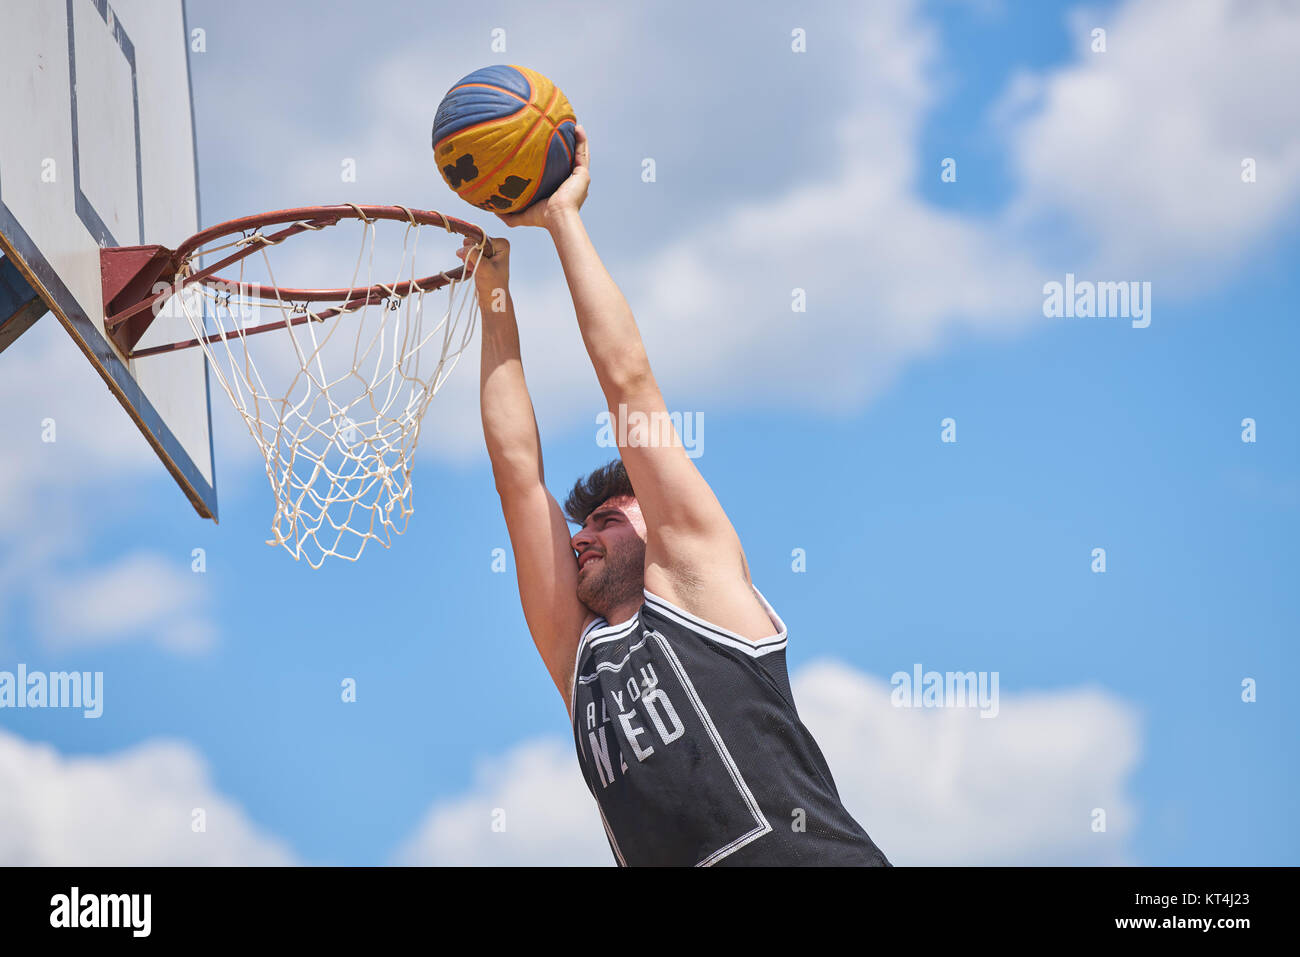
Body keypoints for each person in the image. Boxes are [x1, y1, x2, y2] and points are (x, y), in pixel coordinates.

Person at [460, 127, 890, 866]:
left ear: (656, 531)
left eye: (605, 518)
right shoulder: (579, 656)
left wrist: (561, 218)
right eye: (580, 525)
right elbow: (517, 477)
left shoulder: (697, 582)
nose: (581, 535)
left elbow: (629, 386)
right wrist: (493, 291)